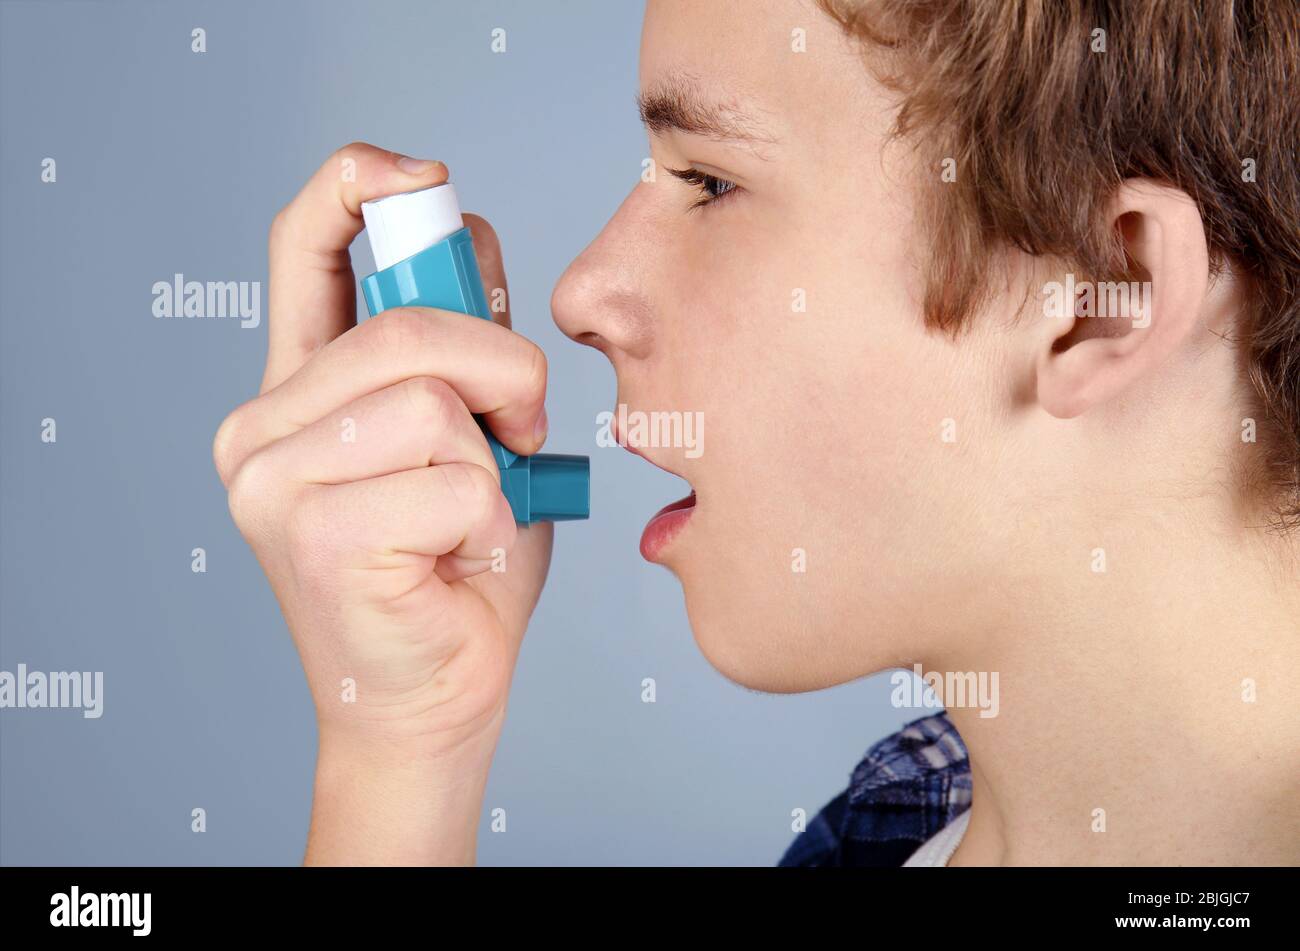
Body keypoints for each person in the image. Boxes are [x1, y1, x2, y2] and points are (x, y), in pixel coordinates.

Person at [212, 0, 1300, 865]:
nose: (583, 292)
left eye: (709, 180)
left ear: (1108, 291)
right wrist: (405, 752)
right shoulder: (874, 833)